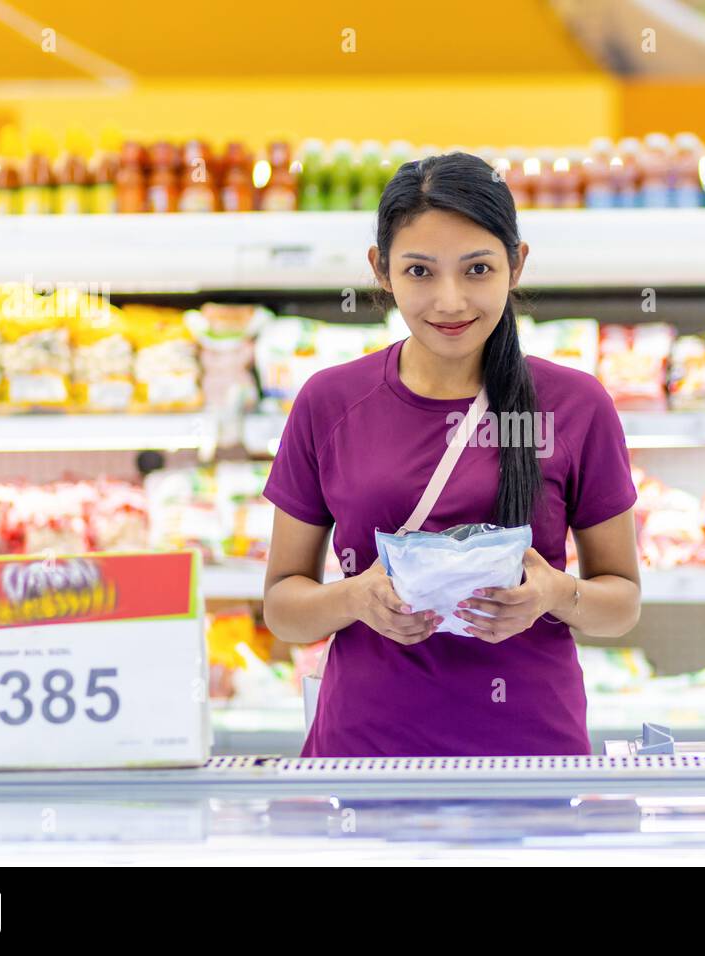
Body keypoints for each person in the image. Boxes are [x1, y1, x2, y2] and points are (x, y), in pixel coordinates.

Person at [262, 151, 640, 757]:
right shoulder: (329, 402)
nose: (449, 301)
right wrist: (356, 597)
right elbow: (283, 606)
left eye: (477, 270)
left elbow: (620, 601)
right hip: (365, 758)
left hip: (530, 757)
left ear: (515, 265)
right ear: (380, 270)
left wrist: (552, 594)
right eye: (418, 272)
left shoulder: (574, 405)